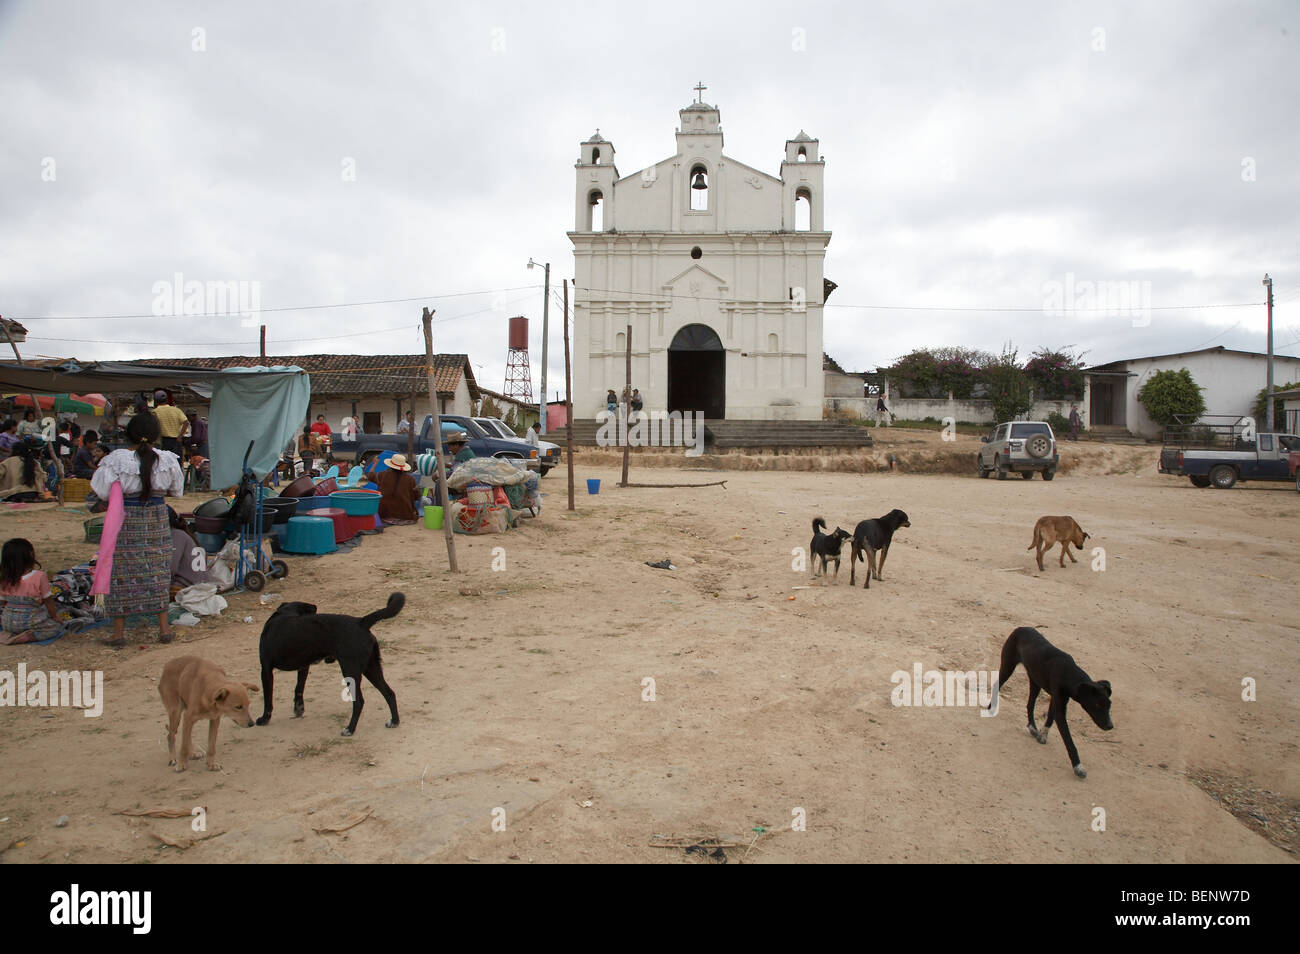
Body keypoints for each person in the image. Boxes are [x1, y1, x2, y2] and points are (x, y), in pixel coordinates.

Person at [90, 411, 184, 647]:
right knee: (157, 570)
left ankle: (119, 634)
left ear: (128, 433)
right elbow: (176, 490)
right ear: (156, 434)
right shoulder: (167, 460)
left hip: (127, 520)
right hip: (156, 519)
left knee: (122, 572)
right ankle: (164, 630)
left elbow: (101, 490)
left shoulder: (116, 459)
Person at [0, 538, 65, 644]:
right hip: (30, 621)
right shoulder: (39, 576)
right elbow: (48, 600)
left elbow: (3, 602)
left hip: (7, 623)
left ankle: (10, 634)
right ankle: (29, 636)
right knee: (57, 627)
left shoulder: (5, 578)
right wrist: (54, 617)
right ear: (31, 555)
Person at [376, 453, 419, 525]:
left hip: (383, 514)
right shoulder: (411, 479)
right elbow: (416, 497)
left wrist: (375, 464)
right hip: (405, 515)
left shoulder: (381, 475)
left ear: (390, 465)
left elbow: (370, 476)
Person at [152, 390, 189, 456]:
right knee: (177, 462)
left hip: (164, 441)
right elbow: (186, 423)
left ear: (156, 401)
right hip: (177, 441)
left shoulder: (154, 412)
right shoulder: (176, 410)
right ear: (167, 400)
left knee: (165, 462)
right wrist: (180, 437)